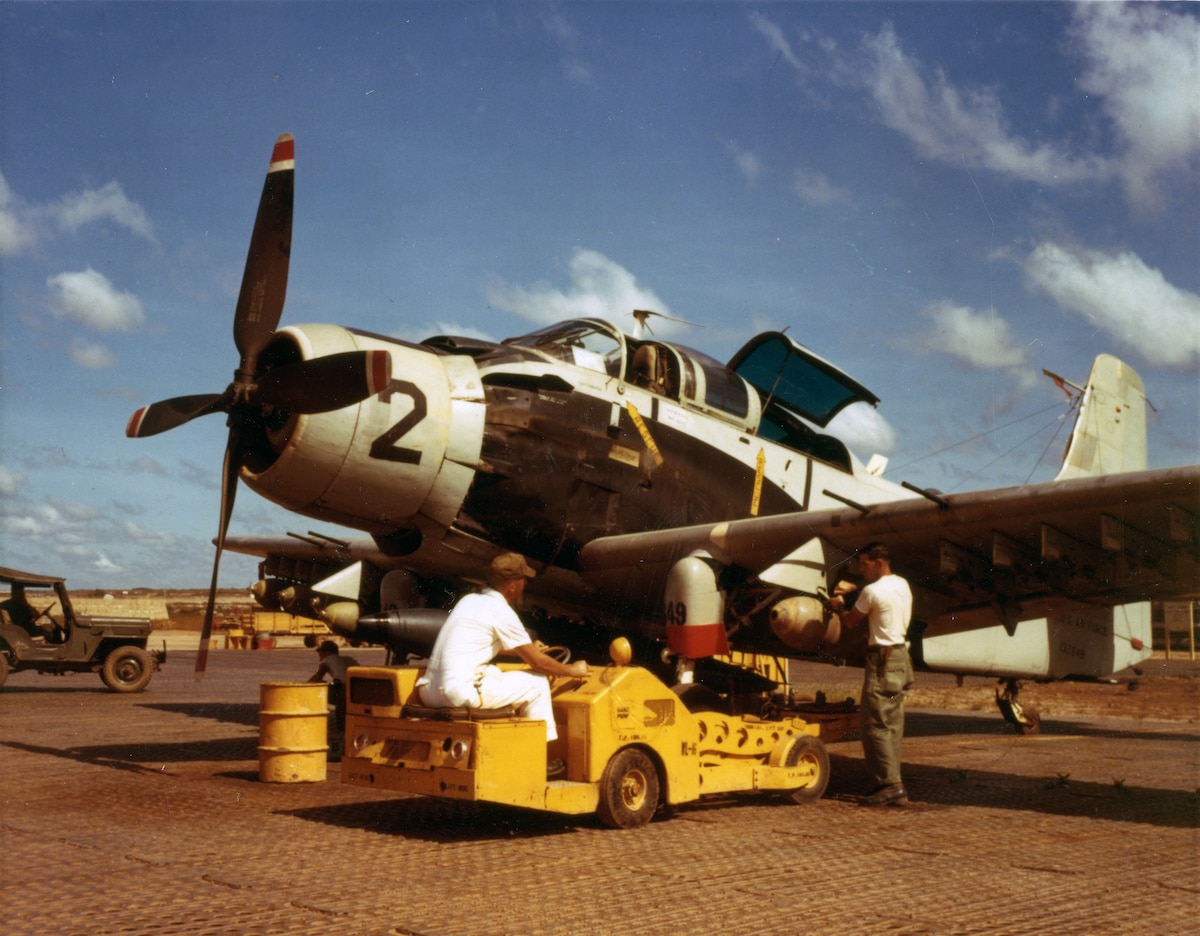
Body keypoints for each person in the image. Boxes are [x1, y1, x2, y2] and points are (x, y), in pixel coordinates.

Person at [416, 552, 589, 774]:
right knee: (536, 683)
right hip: (457, 694)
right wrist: (572, 670)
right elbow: (539, 664)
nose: (526, 583)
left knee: (494, 673)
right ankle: (542, 758)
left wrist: (525, 649)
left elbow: (487, 642)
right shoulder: (502, 611)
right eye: (523, 579)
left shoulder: (468, 601)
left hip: (430, 691)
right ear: (512, 586)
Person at [830, 542, 914, 807]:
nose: (860, 569)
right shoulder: (902, 584)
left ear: (878, 563)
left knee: (874, 724)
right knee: (891, 724)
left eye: (864, 564)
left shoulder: (872, 591)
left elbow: (851, 621)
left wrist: (838, 604)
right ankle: (888, 782)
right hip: (901, 657)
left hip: (882, 661)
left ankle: (891, 786)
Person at [308, 640, 359, 756]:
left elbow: (318, 676)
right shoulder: (350, 659)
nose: (319, 656)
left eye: (320, 653)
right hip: (358, 689)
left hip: (344, 691)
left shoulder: (328, 660)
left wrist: (304, 686)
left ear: (327, 652)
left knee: (318, 686)